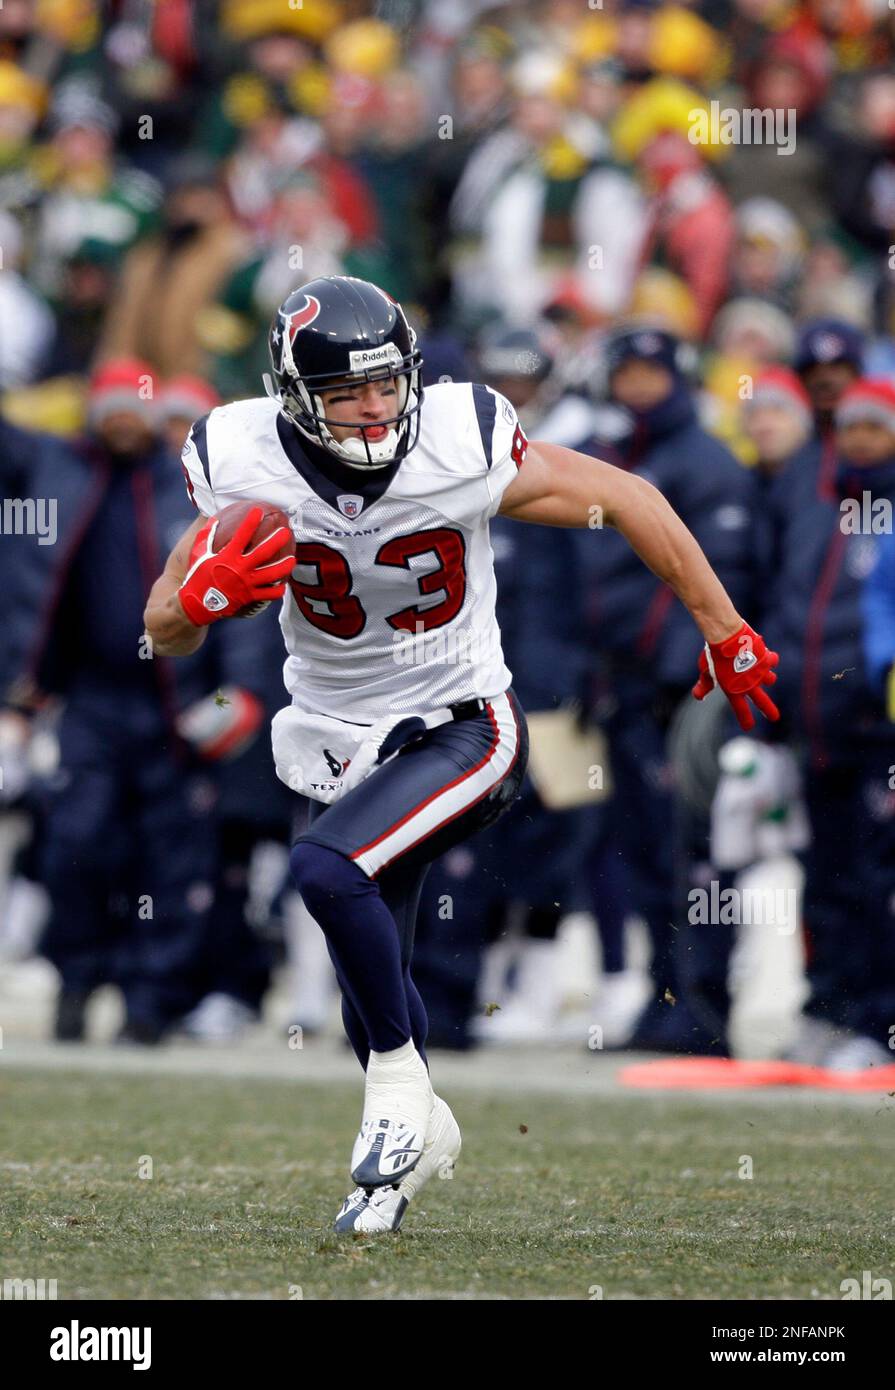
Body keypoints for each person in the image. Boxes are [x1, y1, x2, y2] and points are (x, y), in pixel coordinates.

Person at [143, 274, 780, 1234]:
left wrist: (724, 631)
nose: (373, 406)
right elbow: (161, 622)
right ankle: (389, 1177)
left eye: (386, 383)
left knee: (324, 870)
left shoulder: (458, 437)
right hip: (341, 738)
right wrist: (195, 604)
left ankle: (405, 1100)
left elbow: (627, 497)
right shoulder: (238, 458)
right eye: (345, 392)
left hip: (462, 722)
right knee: (371, 981)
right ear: (290, 397)